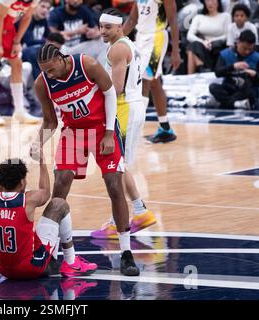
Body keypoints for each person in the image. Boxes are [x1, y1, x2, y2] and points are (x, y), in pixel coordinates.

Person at [31, 44, 140, 276]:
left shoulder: (86, 64)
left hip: (102, 128)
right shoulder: (43, 83)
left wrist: (110, 133)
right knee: (60, 186)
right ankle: (58, 254)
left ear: (62, 58)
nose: (49, 75)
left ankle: (126, 253)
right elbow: (50, 121)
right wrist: (37, 142)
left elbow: (110, 93)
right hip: (73, 132)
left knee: (114, 185)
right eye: (44, 71)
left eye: (51, 69)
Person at [91, 9, 156, 240]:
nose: (102, 31)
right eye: (100, 26)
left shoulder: (119, 48)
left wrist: (91, 93)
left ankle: (131, 215)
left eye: (107, 27)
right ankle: (135, 213)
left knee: (116, 167)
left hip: (125, 108)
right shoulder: (126, 43)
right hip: (130, 105)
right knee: (119, 165)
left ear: (119, 27)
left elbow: (115, 88)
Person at [0, 152, 98, 279]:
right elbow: (46, 192)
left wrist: (3, 170)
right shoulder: (28, 200)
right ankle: (71, 262)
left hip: (3, 269)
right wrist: (42, 163)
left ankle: (54, 260)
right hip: (29, 268)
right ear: (22, 182)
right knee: (59, 204)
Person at [123, 0, 182, 143]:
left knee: (144, 80)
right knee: (154, 82)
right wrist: (116, 39)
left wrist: (175, 50)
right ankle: (165, 128)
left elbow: (173, 21)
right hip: (141, 39)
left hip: (156, 38)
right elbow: (132, 20)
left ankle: (134, 130)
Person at [0, 0, 41, 126]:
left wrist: (17, 41)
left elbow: (27, 17)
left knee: (17, 64)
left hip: (8, 24)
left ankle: (19, 111)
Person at [209, 29, 259, 110]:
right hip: (229, 87)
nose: (247, 52)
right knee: (213, 87)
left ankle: (225, 102)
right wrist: (233, 66)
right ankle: (235, 103)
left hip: (245, 90)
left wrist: (255, 74)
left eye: (250, 49)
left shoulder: (257, 57)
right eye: (244, 48)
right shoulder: (225, 54)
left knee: (251, 92)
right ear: (238, 42)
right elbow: (217, 72)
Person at [186, 0, 231, 73]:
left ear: (218, 2)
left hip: (218, 46)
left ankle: (201, 65)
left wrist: (212, 41)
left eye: (213, 0)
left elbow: (227, 35)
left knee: (192, 48)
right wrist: (203, 42)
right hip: (202, 46)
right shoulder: (199, 17)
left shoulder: (225, 16)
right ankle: (194, 71)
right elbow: (189, 35)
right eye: (207, 1)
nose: (210, 3)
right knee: (192, 46)